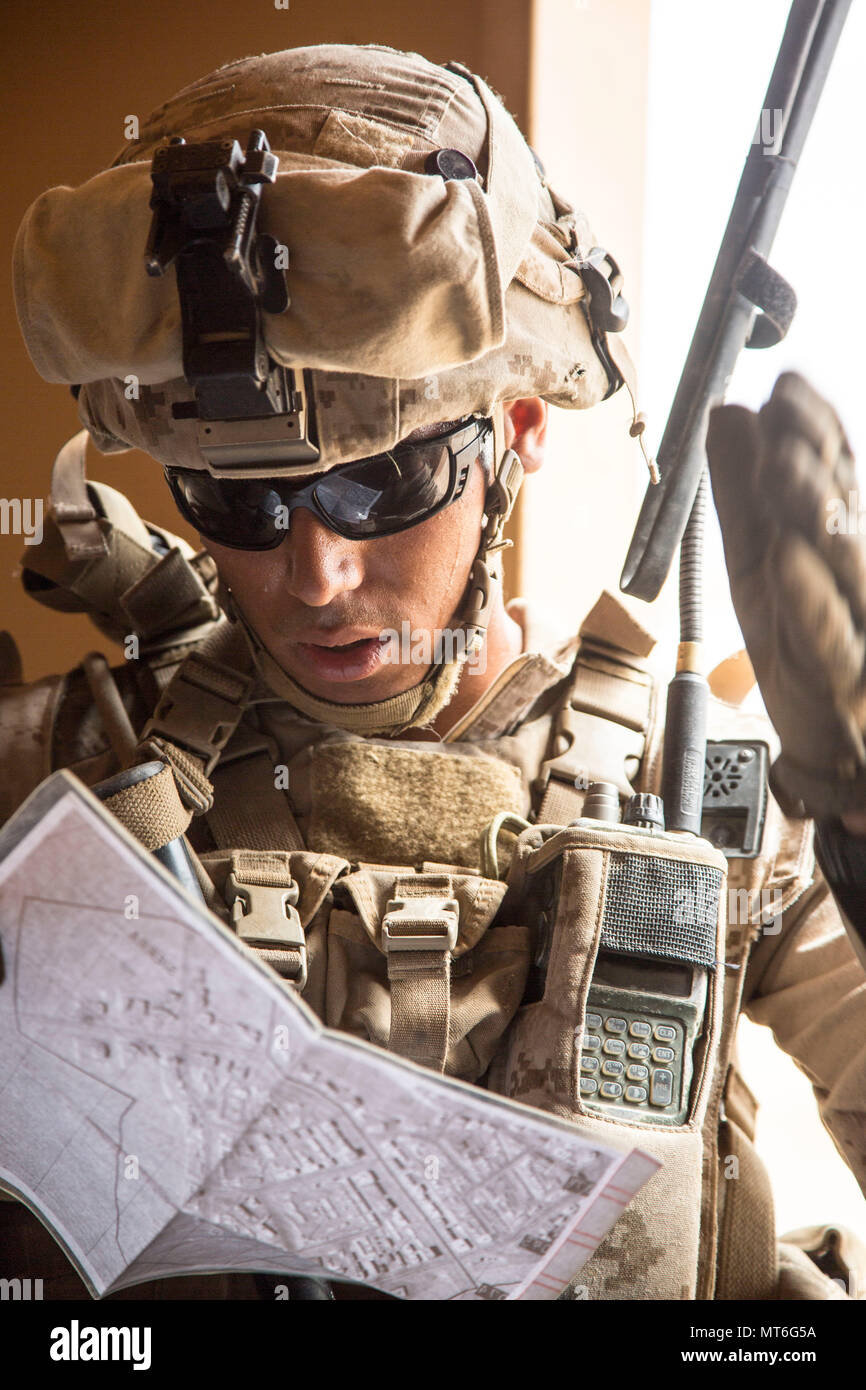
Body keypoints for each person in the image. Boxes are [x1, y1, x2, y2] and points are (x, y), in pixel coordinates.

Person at [2, 42, 865, 1303]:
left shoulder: (707, 803)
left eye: (380, 483)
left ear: (513, 433)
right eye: (235, 503)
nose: (315, 574)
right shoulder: (57, 781)